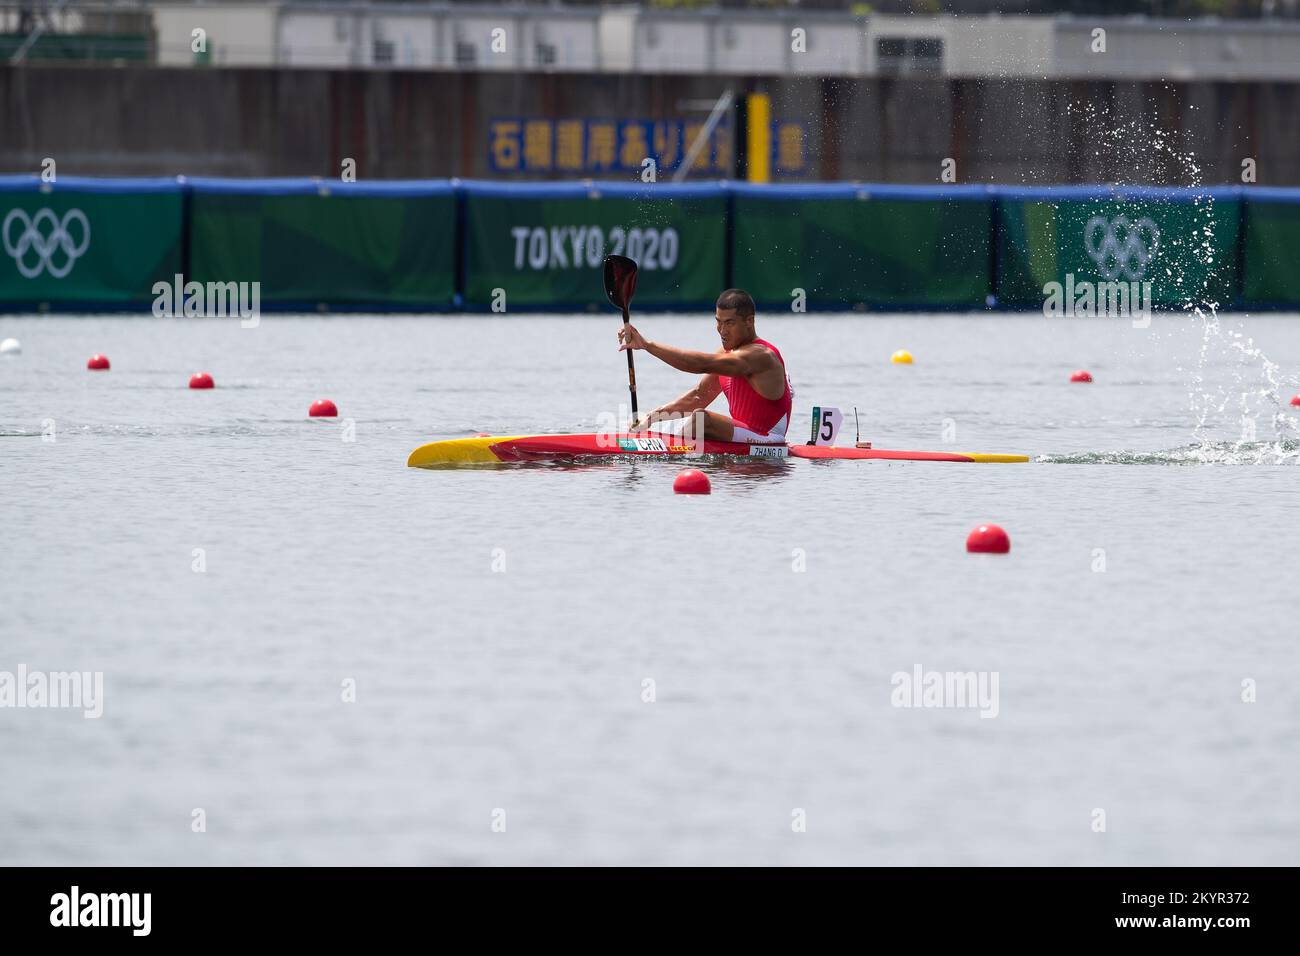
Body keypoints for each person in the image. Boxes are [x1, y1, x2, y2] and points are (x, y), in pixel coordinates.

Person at [616, 288, 792, 442]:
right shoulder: (727, 355)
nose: (722, 331)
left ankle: (666, 454)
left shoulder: (761, 356)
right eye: (718, 321)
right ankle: (667, 449)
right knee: (698, 419)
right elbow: (699, 396)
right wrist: (650, 417)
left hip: (768, 439)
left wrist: (647, 345)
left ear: (749, 321)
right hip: (743, 435)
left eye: (729, 323)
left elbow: (700, 364)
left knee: (701, 419)